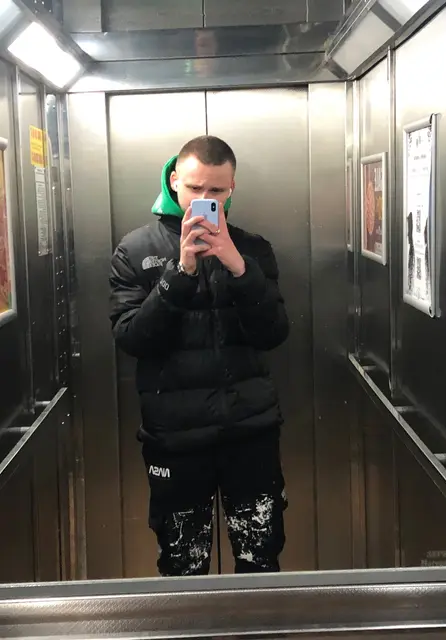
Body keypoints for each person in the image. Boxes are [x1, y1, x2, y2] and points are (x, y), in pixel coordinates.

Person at [109, 135, 290, 576]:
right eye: (194, 187)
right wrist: (181, 273)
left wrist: (239, 267)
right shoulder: (135, 251)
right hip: (175, 439)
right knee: (182, 565)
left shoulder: (253, 249)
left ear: (231, 189)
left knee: (260, 559)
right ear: (174, 181)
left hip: (250, 432)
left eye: (216, 190)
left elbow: (273, 334)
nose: (204, 199)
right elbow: (132, 339)